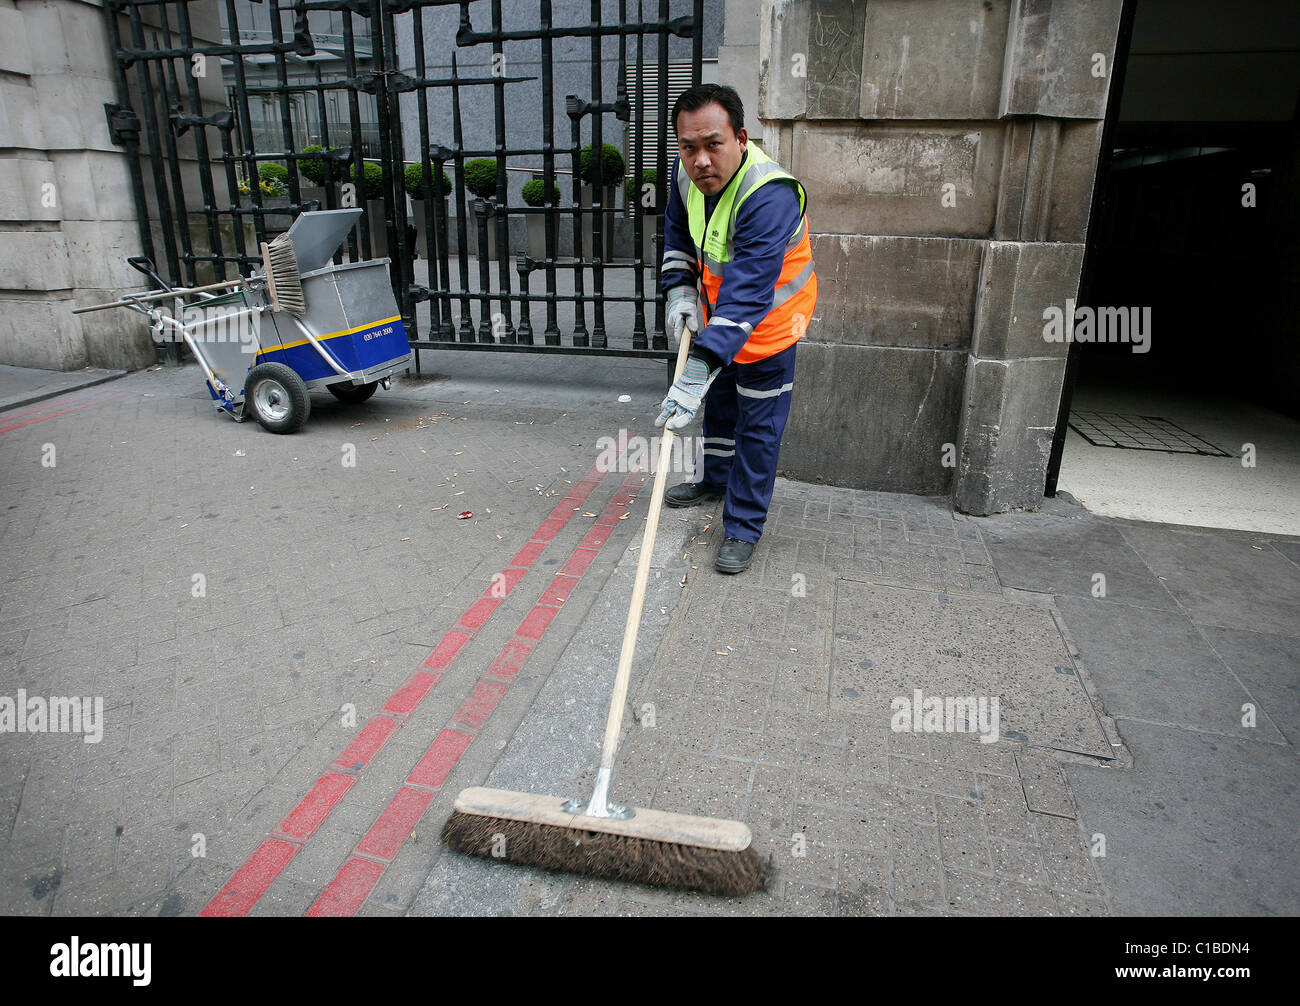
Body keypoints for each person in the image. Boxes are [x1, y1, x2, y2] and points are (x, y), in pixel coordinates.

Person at [655, 83, 818, 574]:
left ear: (741, 138)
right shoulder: (686, 181)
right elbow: (679, 236)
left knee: (759, 429)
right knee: (721, 411)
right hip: (717, 323)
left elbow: (749, 291)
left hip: (769, 330)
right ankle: (714, 482)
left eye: (712, 144)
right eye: (688, 147)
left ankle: (743, 527)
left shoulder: (769, 195)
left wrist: (699, 365)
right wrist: (681, 291)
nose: (700, 160)